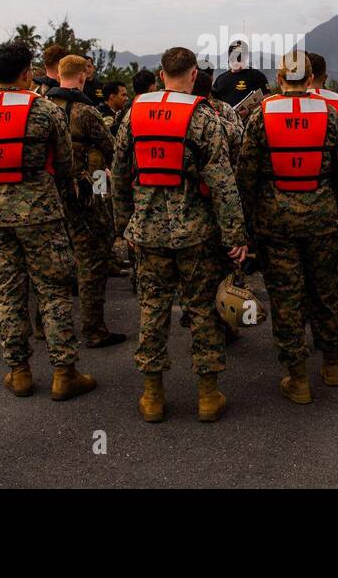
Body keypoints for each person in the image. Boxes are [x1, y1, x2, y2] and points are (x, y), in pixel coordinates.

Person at [112, 47, 248, 423]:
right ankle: (208, 397)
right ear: (192, 75)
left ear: (160, 74)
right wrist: (235, 236)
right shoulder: (204, 116)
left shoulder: (132, 114)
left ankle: (152, 397)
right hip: (196, 234)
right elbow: (222, 183)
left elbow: (120, 174)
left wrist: (124, 227)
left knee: (152, 310)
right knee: (203, 310)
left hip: (147, 233)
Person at [0, 41, 96, 400]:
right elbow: (67, 163)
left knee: (8, 291)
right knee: (53, 290)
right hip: (40, 211)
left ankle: (19, 372)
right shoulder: (43, 109)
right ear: (27, 73)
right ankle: (63, 372)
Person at [237, 51, 338, 401]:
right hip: (323, 222)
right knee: (326, 293)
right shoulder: (332, 117)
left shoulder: (260, 117)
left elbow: (246, 176)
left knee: (287, 298)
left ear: (280, 79)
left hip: (276, 225)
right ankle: (331, 365)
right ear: (311, 81)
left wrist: (248, 220)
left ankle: (298, 378)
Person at [46, 54, 126, 347]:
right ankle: (93, 328)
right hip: (85, 194)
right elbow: (112, 147)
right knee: (92, 257)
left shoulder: (41, 106)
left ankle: (47, 326)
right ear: (82, 77)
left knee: (51, 262)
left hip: (48, 194)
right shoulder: (85, 112)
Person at [304, 52, 338, 345]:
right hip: (332, 199)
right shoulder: (337, 103)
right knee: (337, 270)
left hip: (290, 202)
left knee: (299, 274)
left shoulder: (275, 106)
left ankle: (298, 337)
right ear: (322, 74)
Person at [212, 40, 269, 107]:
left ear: (246, 57)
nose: (236, 61)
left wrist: (250, 109)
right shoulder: (220, 80)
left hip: (252, 116)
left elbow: (267, 99)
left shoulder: (257, 76)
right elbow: (214, 103)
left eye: (239, 58)